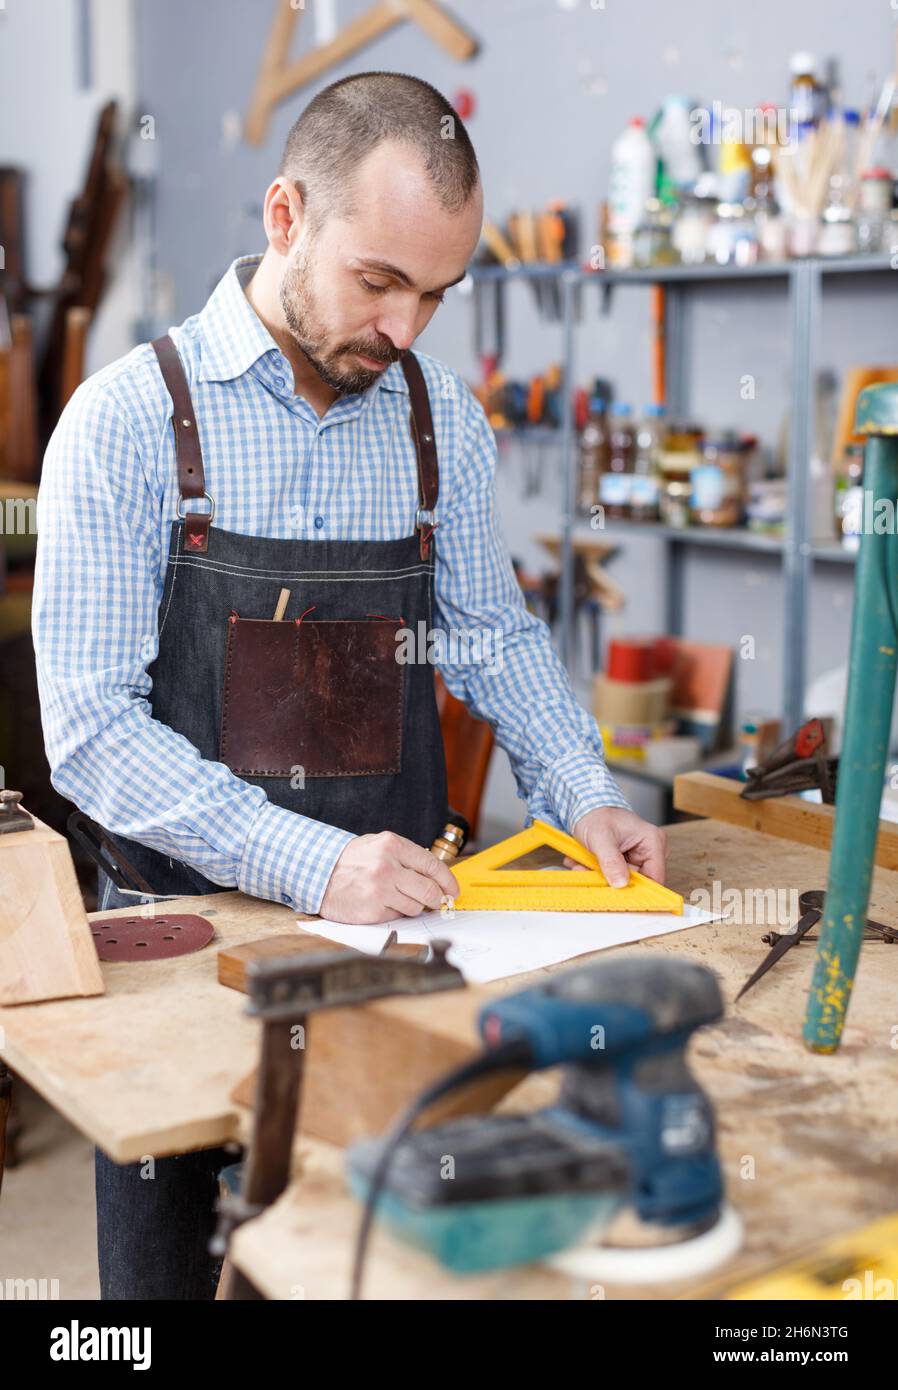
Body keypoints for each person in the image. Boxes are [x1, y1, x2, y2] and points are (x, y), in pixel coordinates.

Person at [33, 71, 666, 1299]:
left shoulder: (445, 423)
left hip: (405, 939)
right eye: (379, 282)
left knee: (383, 1269)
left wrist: (585, 790)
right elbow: (90, 735)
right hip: (183, 948)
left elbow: (491, 636)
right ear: (284, 217)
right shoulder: (123, 425)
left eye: (436, 293)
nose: (405, 331)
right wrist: (311, 863)